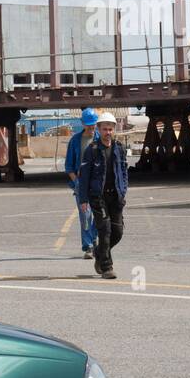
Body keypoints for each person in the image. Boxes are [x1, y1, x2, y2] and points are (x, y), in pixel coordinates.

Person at [75, 112, 127, 280]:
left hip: (116, 197)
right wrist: (83, 199)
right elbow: (84, 177)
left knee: (117, 232)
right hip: (98, 197)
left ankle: (99, 252)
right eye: (104, 129)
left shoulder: (119, 148)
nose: (108, 132)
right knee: (104, 232)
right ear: (99, 129)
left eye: (110, 129)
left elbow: (124, 171)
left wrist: (123, 189)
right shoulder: (92, 150)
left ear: (114, 129)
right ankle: (106, 267)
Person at [64, 108, 100, 258]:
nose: (92, 129)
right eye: (89, 126)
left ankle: (94, 238)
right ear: (83, 124)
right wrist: (77, 182)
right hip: (81, 185)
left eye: (94, 125)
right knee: (85, 215)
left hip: (97, 183)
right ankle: (88, 246)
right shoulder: (75, 141)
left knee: (99, 214)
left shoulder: (100, 138)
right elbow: (69, 166)